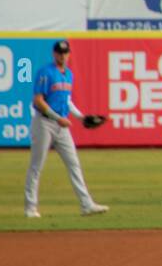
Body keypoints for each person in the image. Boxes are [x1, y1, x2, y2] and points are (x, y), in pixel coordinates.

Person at [24, 40, 109, 218]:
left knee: (74, 164)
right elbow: (38, 101)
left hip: (62, 126)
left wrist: (81, 117)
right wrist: (58, 118)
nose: (62, 56)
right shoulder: (45, 73)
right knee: (36, 166)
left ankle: (86, 205)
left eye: (65, 53)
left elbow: (67, 100)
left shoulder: (68, 74)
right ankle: (30, 208)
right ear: (54, 54)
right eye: (59, 52)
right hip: (44, 123)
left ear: (69, 54)